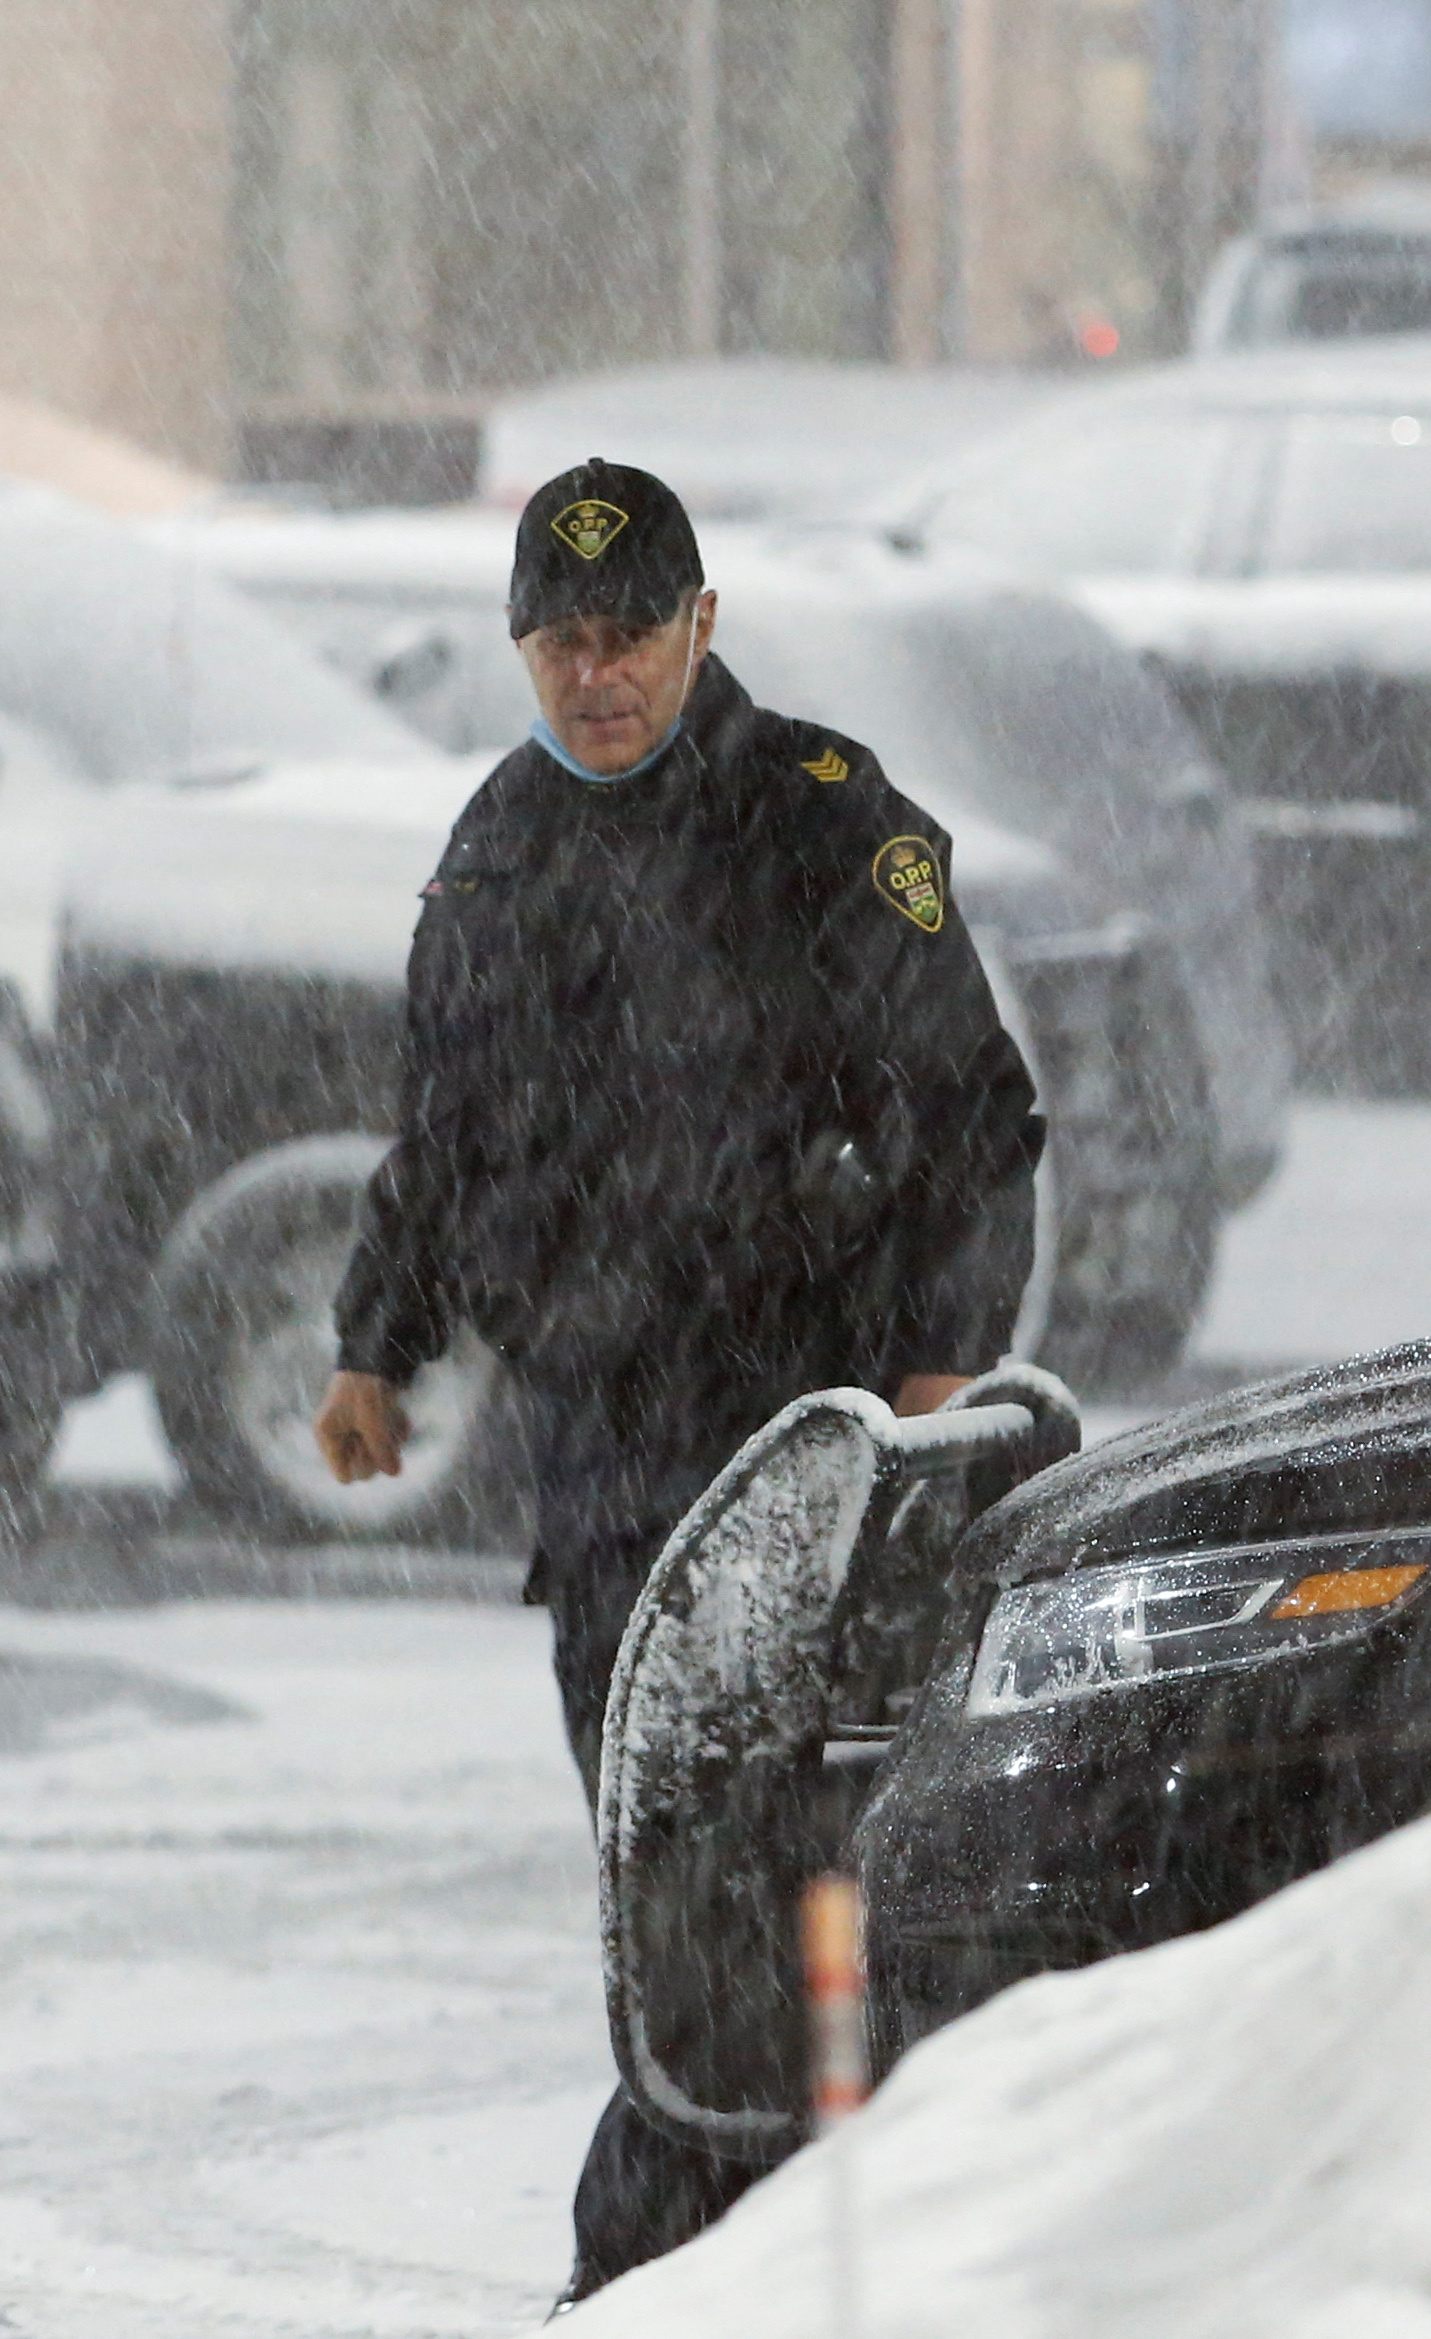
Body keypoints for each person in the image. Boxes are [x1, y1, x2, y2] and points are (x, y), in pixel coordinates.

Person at [313, 458, 1047, 2298]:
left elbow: (973, 1116)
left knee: (812, 1903)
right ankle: (717, 2264)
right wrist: (372, 1341)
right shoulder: (497, 848)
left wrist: (943, 1364)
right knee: (667, 1905)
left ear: (702, 624)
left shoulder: (816, 821)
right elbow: (444, 1137)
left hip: (808, 1459)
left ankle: (719, 2265)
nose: (597, 675)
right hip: (606, 1487)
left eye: (630, 631)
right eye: (559, 641)